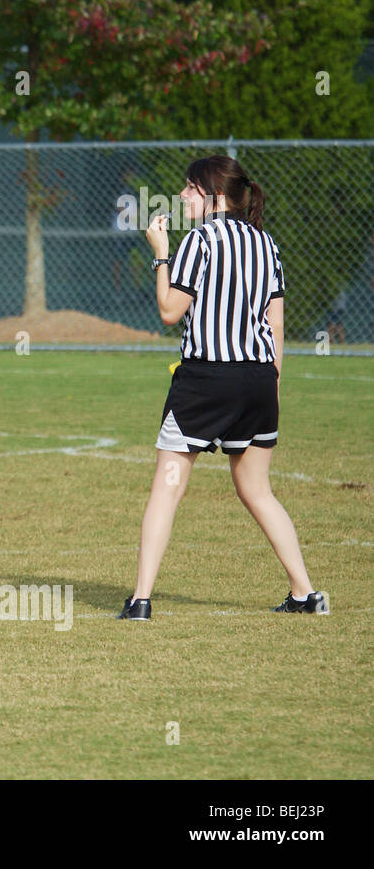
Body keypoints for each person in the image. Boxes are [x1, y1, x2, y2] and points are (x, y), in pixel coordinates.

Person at [119, 155, 326, 620]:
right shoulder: (266, 244)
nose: (182, 196)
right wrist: (272, 387)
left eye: (191, 189)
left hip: (207, 379)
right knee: (257, 490)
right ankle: (305, 593)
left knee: (167, 487)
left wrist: (160, 253)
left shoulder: (199, 240)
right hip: (257, 379)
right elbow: (275, 326)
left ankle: (141, 601)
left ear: (213, 196)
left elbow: (170, 310)